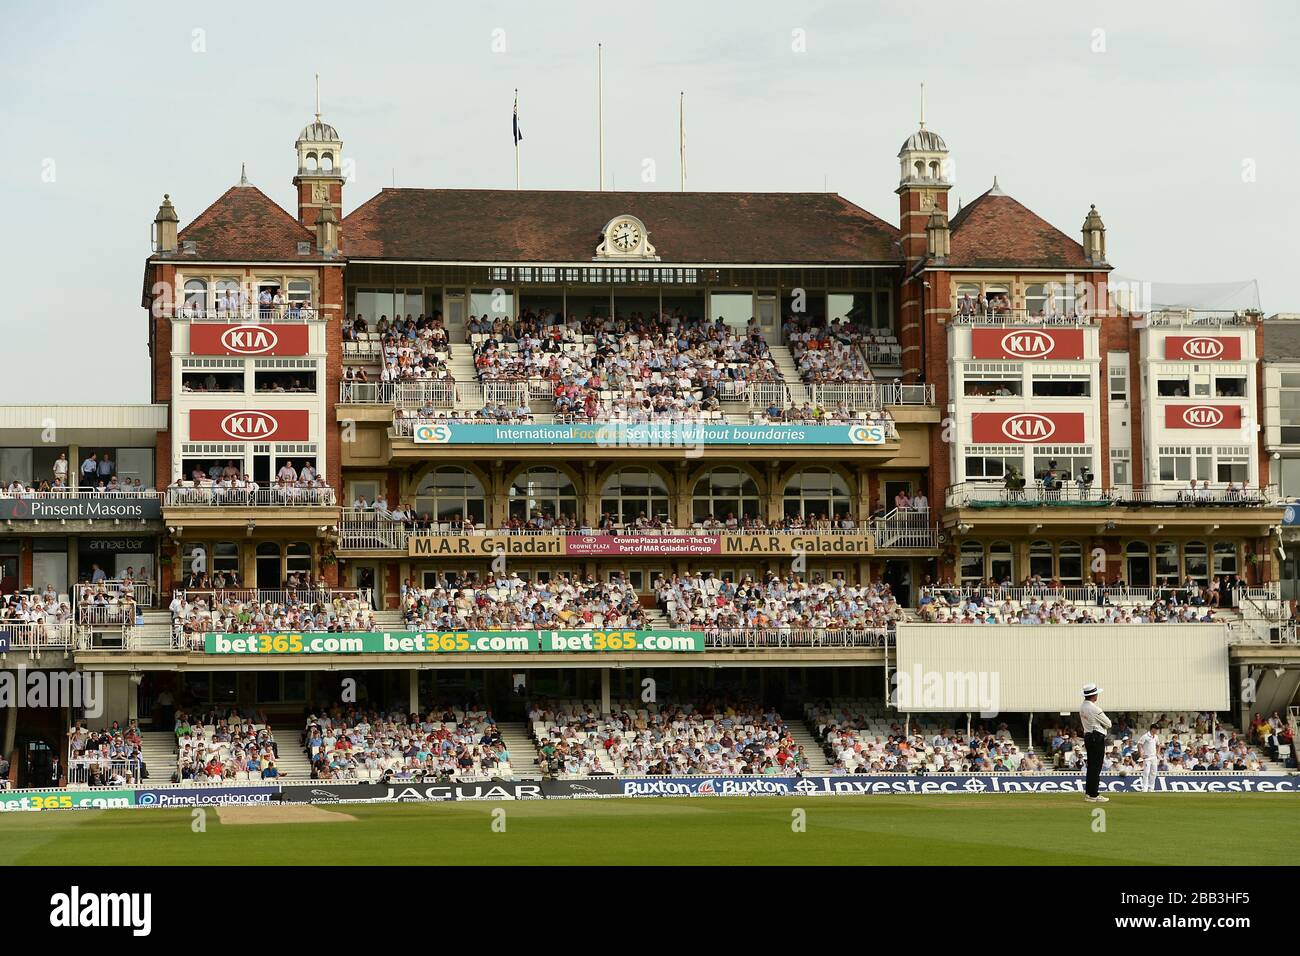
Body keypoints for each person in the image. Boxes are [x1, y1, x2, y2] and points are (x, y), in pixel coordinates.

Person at [1080, 682, 1111, 802]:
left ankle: (1089, 793)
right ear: (1094, 695)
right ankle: (1093, 794)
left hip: (1088, 736)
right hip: (1096, 737)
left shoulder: (1083, 706)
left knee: (1092, 766)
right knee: (1096, 767)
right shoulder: (1094, 708)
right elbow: (1108, 723)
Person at [1137, 723, 1160, 793]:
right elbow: (1139, 745)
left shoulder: (1156, 737)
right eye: (1156, 729)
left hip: (1154, 757)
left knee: (1153, 773)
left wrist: (1157, 753)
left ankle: (1151, 788)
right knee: (1146, 773)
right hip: (1147, 757)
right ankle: (1144, 788)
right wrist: (1141, 754)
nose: (1157, 730)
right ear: (1152, 729)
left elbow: (1158, 745)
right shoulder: (1145, 736)